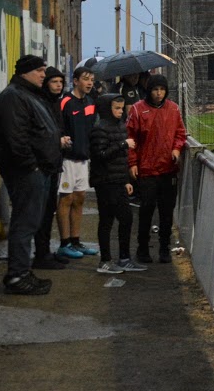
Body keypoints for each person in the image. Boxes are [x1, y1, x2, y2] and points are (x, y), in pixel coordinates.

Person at [0, 55, 61, 295]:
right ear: (26, 72)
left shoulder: (29, 95)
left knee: (30, 221)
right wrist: (32, 166)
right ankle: (17, 276)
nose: (44, 75)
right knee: (25, 222)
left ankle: (22, 271)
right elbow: (16, 138)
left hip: (36, 170)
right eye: (40, 70)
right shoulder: (14, 97)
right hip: (26, 171)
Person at [128, 74, 188, 263]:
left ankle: (164, 248)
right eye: (155, 89)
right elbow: (131, 139)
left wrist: (177, 149)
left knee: (166, 211)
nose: (159, 93)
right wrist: (132, 163)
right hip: (146, 170)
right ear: (149, 90)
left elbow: (180, 133)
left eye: (162, 89)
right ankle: (142, 248)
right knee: (146, 210)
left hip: (168, 169)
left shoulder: (173, 109)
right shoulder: (138, 110)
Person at [88, 93, 145, 274]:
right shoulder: (100, 128)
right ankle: (106, 260)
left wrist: (126, 181)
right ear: (107, 108)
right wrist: (123, 144)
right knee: (110, 220)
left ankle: (123, 258)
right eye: (117, 108)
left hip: (117, 180)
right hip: (105, 181)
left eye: (122, 108)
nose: (121, 111)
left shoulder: (120, 126)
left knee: (123, 218)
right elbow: (100, 155)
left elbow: (122, 158)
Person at [55, 66, 100, 260]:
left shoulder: (90, 102)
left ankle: (76, 240)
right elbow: (57, 127)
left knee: (80, 198)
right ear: (75, 81)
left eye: (91, 79)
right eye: (85, 79)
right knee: (66, 199)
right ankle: (64, 243)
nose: (89, 82)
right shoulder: (65, 102)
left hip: (83, 159)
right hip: (67, 159)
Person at [33, 68, 70, 266]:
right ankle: (41, 253)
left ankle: (45, 251)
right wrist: (58, 140)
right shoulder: (42, 102)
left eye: (60, 82)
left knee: (48, 210)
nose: (58, 85)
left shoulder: (55, 103)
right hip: (44, 163)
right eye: (54, 81)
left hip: (53, 160)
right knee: (42, 211)